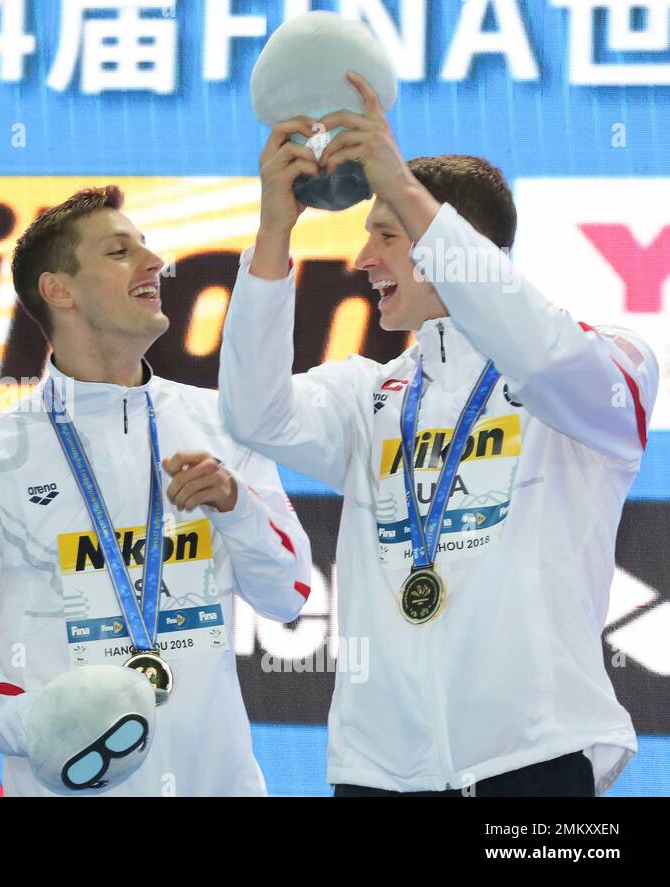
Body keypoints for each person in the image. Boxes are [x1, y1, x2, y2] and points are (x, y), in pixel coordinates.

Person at [220, 72, 658, 796]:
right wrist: (273, 230)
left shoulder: (608, 365)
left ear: (446, 236)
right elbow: (252, 411)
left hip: (535, 762)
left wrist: (401, 182)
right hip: (377, 774)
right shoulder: (368, 394)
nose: (363, 261)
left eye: (386, 235)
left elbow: (544, 355)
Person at [0, 185, 314, 796]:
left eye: (147, 248)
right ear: (58, 290)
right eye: (121, 252)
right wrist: (30, 723)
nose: (153, 264)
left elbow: (289, 595)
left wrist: (236, 508)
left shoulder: (224, 427)